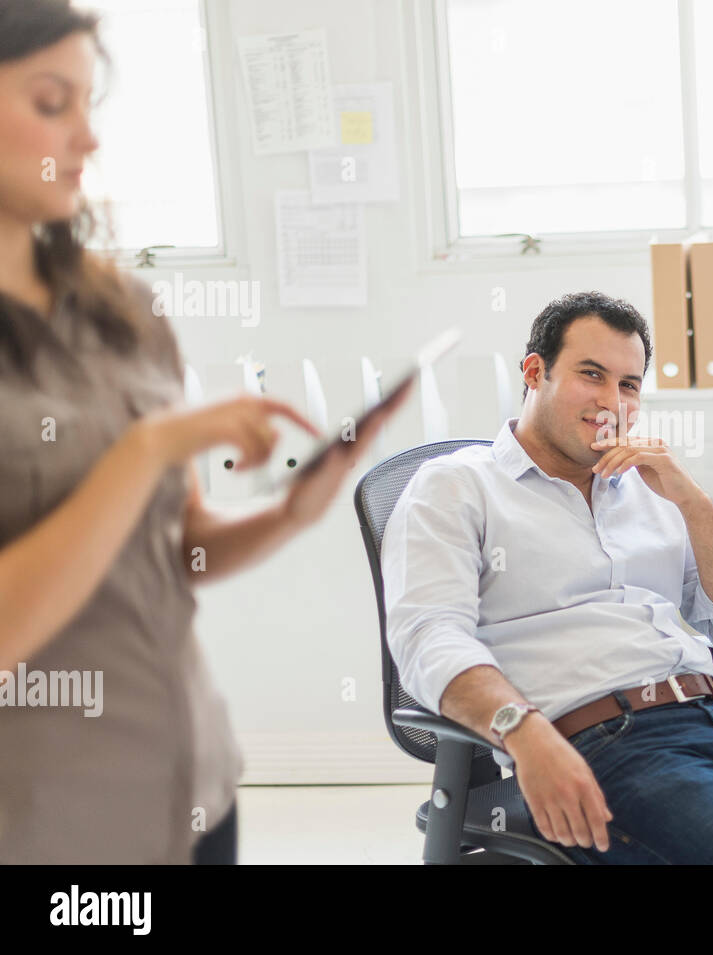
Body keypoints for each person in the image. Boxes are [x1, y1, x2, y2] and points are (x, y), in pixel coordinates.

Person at [0, 0, 404, 863]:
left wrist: (295, 511)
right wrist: (148, 446)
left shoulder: (125, 312)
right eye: (49, 102)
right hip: (52, 825)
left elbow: (180, 545)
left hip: (195, 785)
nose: (86, 138)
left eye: (87, 103)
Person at [382, 291, 713, 864]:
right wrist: (524, 734)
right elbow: (428, 638)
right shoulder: (455, 486)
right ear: (534, 371)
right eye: (590, 374)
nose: (610, 402)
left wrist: (691, 500)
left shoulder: (650, 488)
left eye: (628, 384)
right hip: (607, 745)